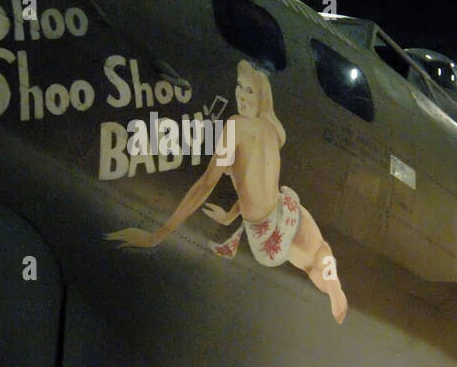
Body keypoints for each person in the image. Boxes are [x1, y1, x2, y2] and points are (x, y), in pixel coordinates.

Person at [106, 60, 348, 323]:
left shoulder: (235, 126)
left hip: (269, 228)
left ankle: (333, 290)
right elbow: (252, 186)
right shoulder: (274, 131)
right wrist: (230, 217)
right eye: (239, 88)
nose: (241, 96)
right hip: (277, 216)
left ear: (262, 97)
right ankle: (333, 287)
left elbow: (207, 184)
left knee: (316, 257)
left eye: (249, 91)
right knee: (319, 254)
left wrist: (158, 235)